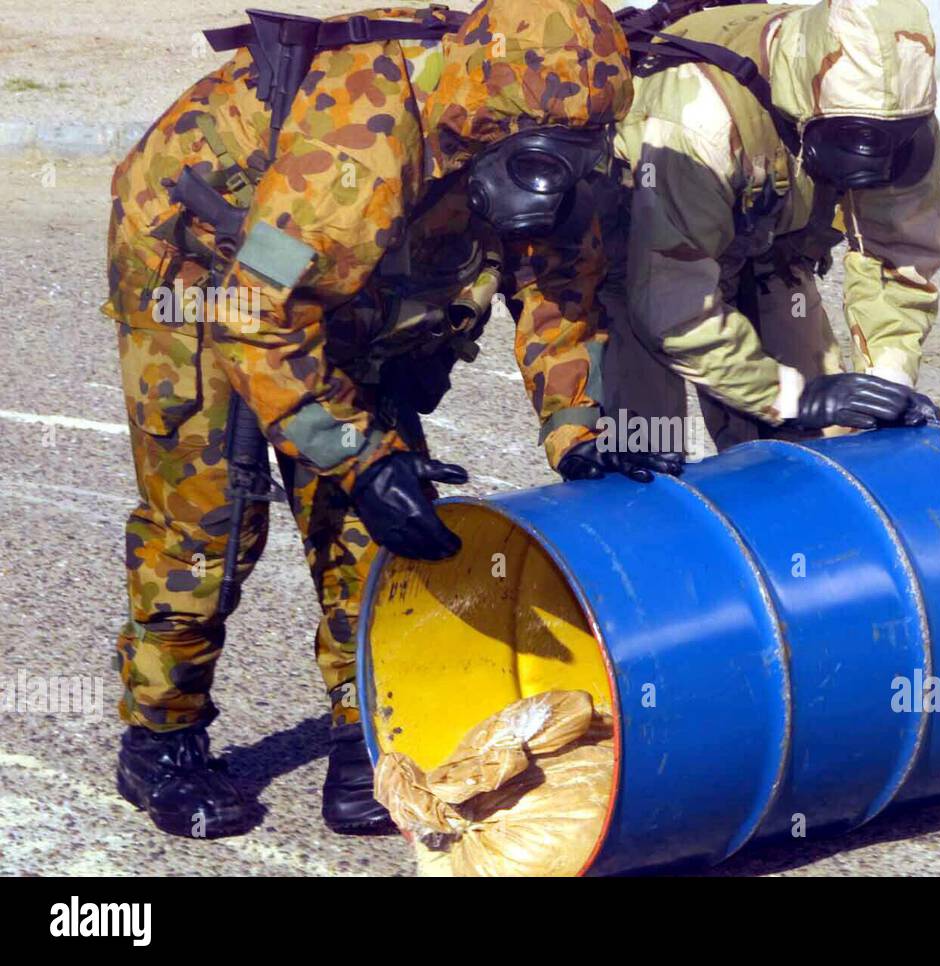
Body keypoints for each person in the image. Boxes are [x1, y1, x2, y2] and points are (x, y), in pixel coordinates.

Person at [105, 0, 662, 840]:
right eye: (528, 165)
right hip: (203, 263)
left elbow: (558, 295)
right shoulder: (358, 150)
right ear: (478, 123)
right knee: (211, 518)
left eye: (567, 165)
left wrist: (577, 428)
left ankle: (365, 734)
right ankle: (162, 740)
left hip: (341, 272)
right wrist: (357, 453)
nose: (547, 189)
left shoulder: (559, 143)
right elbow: (254, 314)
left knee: (375, 527)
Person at [603, 0, 940, 451]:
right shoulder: (697, 118)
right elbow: (672, 305)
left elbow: (899, 256)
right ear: (805, 101)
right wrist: (789, 397)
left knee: (820, 444)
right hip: (646, 251)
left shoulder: (897, 111)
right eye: (848, 139)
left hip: (769, 244)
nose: (871, 159)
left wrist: (888, 384)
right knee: (643, 449)